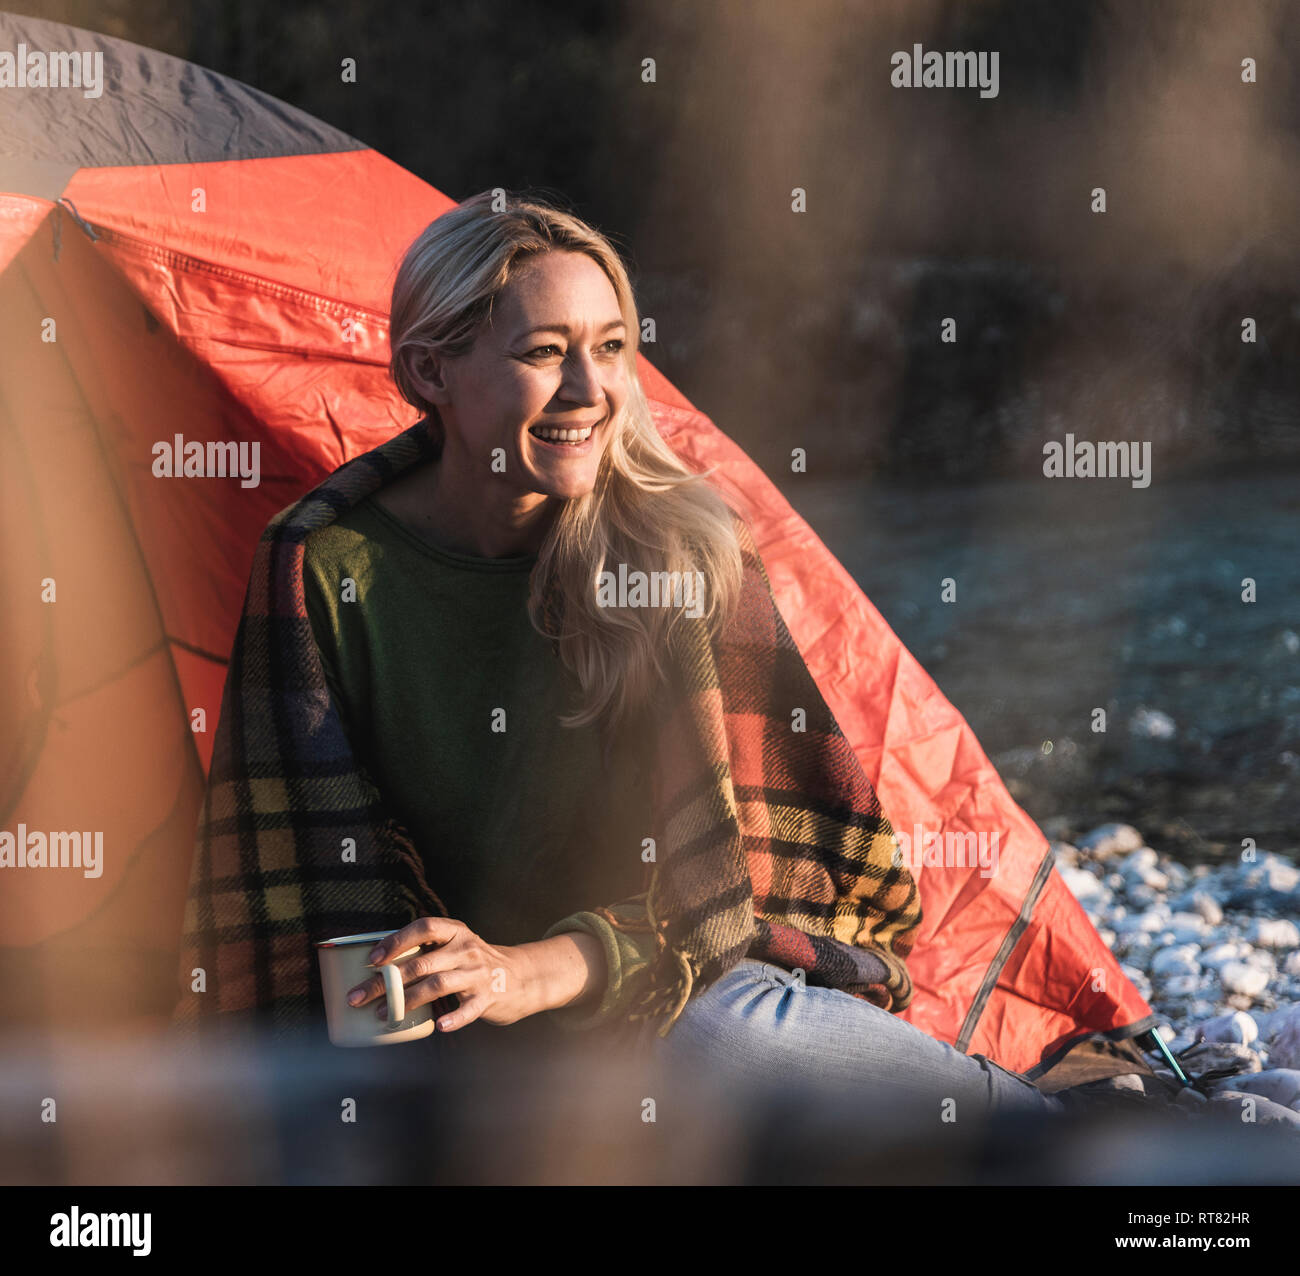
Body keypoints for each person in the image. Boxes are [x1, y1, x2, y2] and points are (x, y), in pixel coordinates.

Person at [178, 189, 1063, 1120]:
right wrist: (416, 990)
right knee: (288, 1102)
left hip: (669, 1002)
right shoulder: (319, 568)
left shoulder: (676, 553)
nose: (590, 390)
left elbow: (731, 905)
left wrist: (536, 970)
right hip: (457, 1039)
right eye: (543, 352)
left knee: (721, 1035)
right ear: (430, 369)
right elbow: (307, 890)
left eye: (611, 348)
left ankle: (1058, 1140)